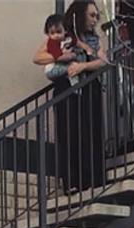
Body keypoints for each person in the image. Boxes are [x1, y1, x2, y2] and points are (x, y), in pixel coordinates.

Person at [53, 1, 110, 193]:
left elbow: (103, 61)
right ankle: (72, 181)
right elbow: (45, 55)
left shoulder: (94, 39)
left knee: (90, 132)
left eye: (96, 16)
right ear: (79, 15)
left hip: (89, 88)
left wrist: (82, 66)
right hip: (67, 88)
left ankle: (93, 178)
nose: (95, 20)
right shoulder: (64, 36)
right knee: (69, 133)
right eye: (91, 15)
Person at [34, 13, 80, 85]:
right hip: (53, 69)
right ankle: (76, 86)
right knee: (73, 67)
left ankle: (76, 85)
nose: (56, 35)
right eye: (52, 33)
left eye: (58, 32)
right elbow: (36, 59)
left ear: (65, 31)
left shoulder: (67, 40)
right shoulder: (51, 42)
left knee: (73, 67)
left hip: (59, 71)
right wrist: (68, 56)